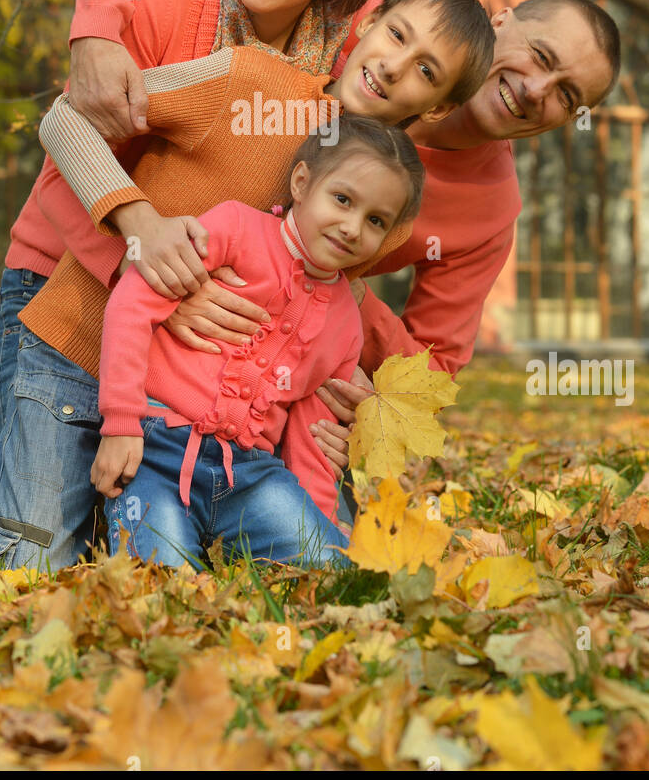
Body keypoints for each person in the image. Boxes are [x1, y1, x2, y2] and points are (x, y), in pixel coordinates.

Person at [0, 0, 494, 571]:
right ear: (368, 25)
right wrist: (141, 230)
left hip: (195, 421)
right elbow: (67, 119)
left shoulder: (388, 211)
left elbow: (312, 322)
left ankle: (74, 506)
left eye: (426, 71)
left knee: (315, 559)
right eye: (396, 35)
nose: (396, 66)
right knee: (25, 561)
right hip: (83, 344)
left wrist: (357, 409)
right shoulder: (249, 84)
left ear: (439, 108)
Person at [95, 118, 425, 570]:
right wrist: (120, 424)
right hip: (157, 449)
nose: (351, 227)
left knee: (333, 568)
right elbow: (133, 302)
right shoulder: (235, 227)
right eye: (343, 200)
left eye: (374, 221)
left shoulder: (346, 320)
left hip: (250, 474)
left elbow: (313, 433)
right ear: (303, 182)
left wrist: (321, 519)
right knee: (160, 580)